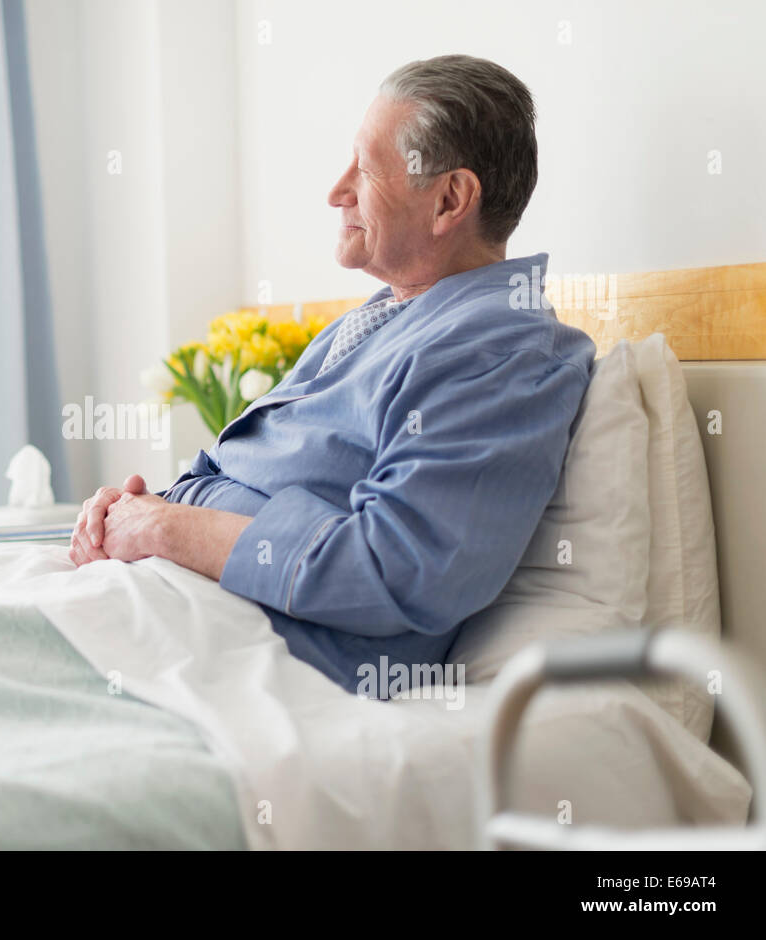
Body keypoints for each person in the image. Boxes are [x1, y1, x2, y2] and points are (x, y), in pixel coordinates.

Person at [68, 55, 596, 695]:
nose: (336, 191)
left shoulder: (503, 350)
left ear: (450, 199)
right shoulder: (387, 315)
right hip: (168, 608)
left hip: (240, 649)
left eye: (365, 170)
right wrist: (135, 513)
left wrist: (165, 527)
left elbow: (392, 570)